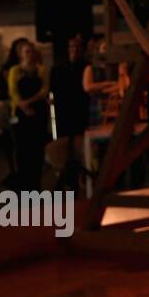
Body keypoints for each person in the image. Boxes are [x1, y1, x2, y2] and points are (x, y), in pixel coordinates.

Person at [7, 41, 50, 191]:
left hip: (38, 112)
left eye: (32, 51)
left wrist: (30, 102)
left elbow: (44, 90)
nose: (30, 55)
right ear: (21, 54)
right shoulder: (15, 71)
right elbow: (13, 91)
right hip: (20, 114)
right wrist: (23, 106)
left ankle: (36, 185)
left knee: (37, 149)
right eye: (27, 52)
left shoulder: (42, 70)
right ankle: (23, 186)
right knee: (22, 150)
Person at [50, 34, 90, 188]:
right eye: (71, 47)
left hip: (81, 111)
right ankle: (68, 178)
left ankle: (82, 177)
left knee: (81, 145)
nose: (74, 50)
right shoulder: (58, 69)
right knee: (65, 146)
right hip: (64, 112)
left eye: (77, 47)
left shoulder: (86, 67)